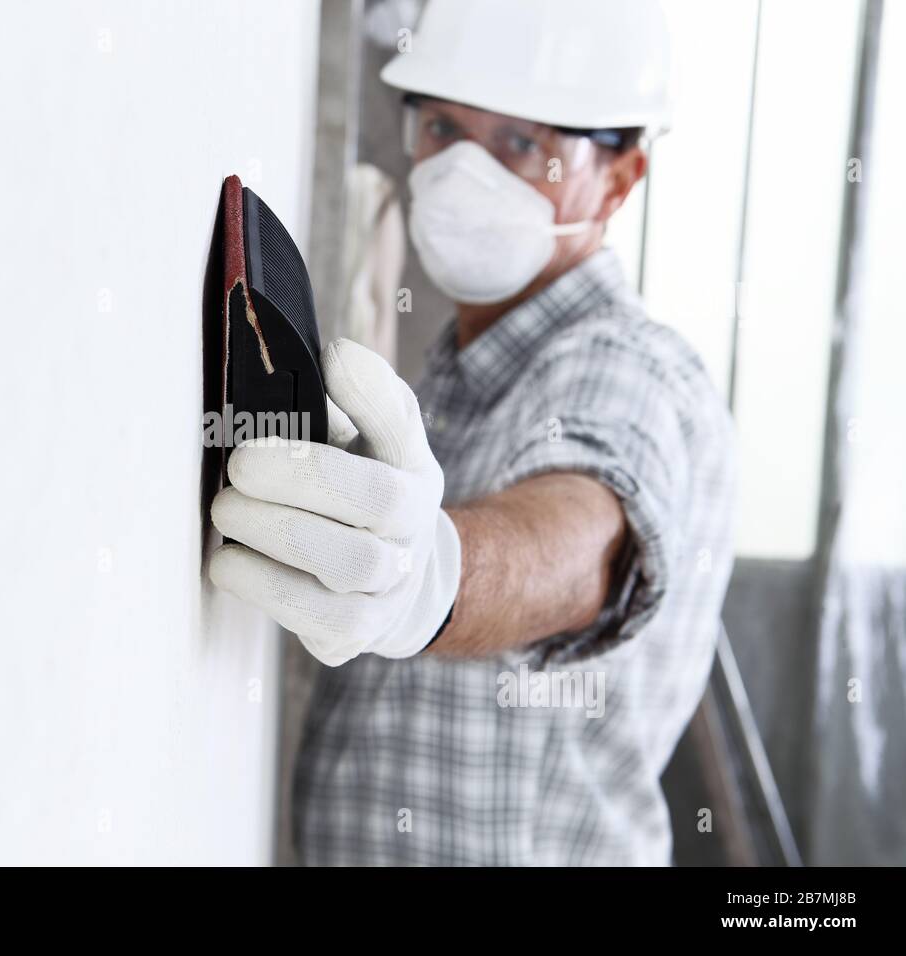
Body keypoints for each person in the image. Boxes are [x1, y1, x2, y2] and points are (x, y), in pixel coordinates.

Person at [208, 0, 736, 864]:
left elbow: (583, 538)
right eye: (443, 126)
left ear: (621, 177)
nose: (462, 172)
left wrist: (433, 578)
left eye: (523, 144)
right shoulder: (448, 374)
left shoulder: (632, 368)